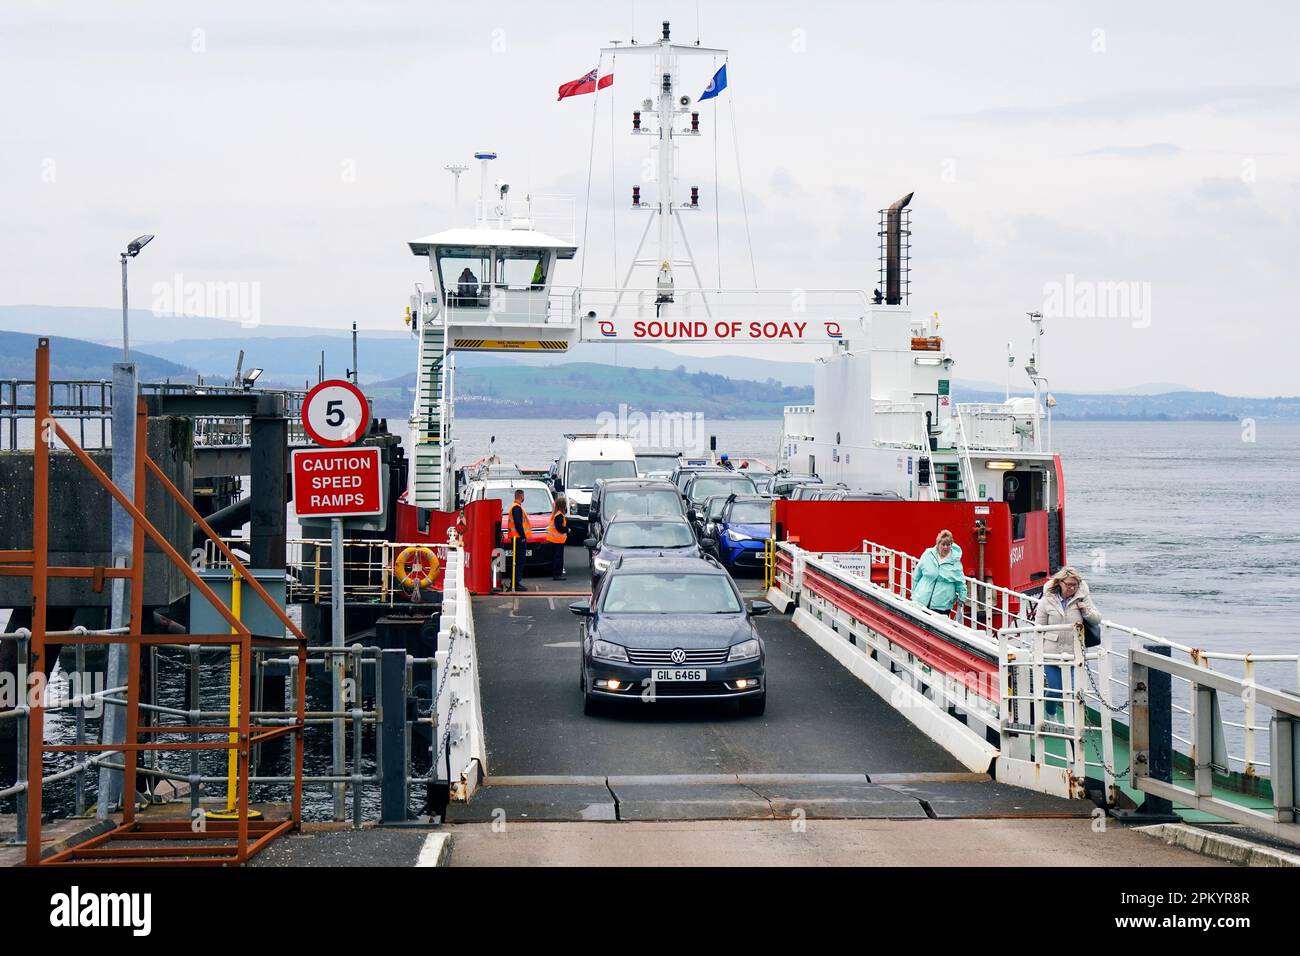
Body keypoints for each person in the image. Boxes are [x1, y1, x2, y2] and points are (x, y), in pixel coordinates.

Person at [1032, 566, 1101, 723]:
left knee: (1073, 689)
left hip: (1074, 650)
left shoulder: (1083, 598)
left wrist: (1085, 612)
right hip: (1051, 651)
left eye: (1074, 585)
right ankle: (1051, 713)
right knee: (1055, 689)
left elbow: (1097, 619)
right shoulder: (1046, 600)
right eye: (1068, 584)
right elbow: (1039, 628)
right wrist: (1035, 651)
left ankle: (1075, 723)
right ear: (1059, 583)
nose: (1071, 588)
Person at [911, 529, 967, 616]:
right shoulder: (928, 554)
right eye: (943, 544)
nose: (946, 547)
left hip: (942, 605)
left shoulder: (955, 561)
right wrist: (914, 594)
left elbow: (960, 582)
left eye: (948, 545)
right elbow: (916, 576)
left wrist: (962, 598)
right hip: (921, 600)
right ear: (938, 544)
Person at [506, 488, 528, 592]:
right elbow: (518, 524)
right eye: (523, 496)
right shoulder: (517, 508)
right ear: (521, 496)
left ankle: (514, 582)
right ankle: (516, 583)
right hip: (518, 538)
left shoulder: (515, 507)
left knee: (516, 561)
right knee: (519, 561)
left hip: (515, 537)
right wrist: (523, 536)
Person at [547, 496, 569, 580]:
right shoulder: (559, 515)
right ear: (563, 505)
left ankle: (557, 574)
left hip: (555, 539)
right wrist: (567, 529)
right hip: (557, 540)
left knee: (556, 557)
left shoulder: (556, 513)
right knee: (558, 558)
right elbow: (559, 528)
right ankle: (557, 575)